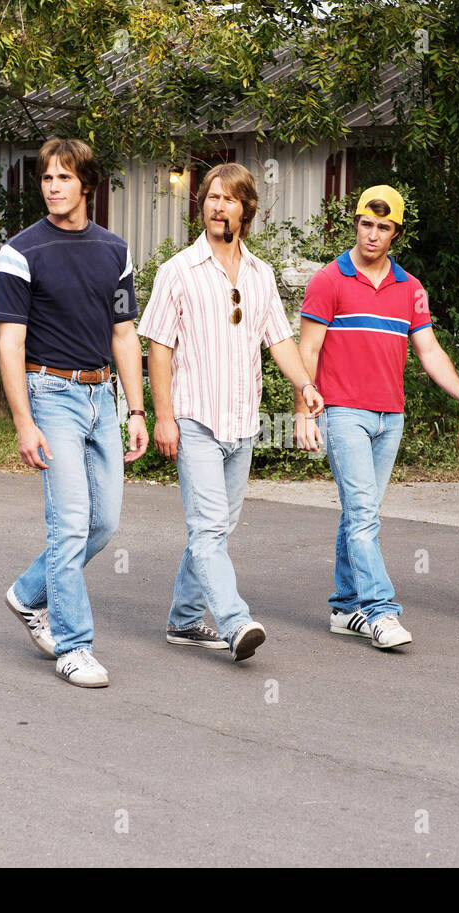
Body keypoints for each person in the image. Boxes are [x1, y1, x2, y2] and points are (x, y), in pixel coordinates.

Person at [138, 163, 324, 662]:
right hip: (196, 417)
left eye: (229, 199)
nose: (218, 206)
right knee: (208, 530)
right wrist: (163, 416)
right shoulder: (177, 271)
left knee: (217, 529)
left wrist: (304, 384)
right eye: (211, 198)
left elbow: (280, 340)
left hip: (244, 424)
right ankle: (236, 621)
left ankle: (183, 618)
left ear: (246, 210)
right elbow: (158, 348)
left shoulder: (261, 276)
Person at [295, 185, 459, 651]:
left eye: (383, 227)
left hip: (390, 417)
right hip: (343, 413)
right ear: (355, 223)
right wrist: (304, 413)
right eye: (365, 224)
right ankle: (380, 611)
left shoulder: (410, 288)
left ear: (395, 233)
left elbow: (429, 350)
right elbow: (308, 351)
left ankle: (343, 607)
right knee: (363, 515)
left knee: (361, 514)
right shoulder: (328, 281)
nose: (372, 234)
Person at [0, 137, 149, 688]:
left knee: (102, 523)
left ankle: (26, 593)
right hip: (50, 394)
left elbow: (124, 334)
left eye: (64, 177)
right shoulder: (20, 252)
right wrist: (23, 421)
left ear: (87, 183)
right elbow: (10, 344)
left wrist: (136, 409)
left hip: (102, 397)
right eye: (46, 178)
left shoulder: (115, 251)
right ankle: (74, 646)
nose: (53, 187)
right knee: (68, 525)